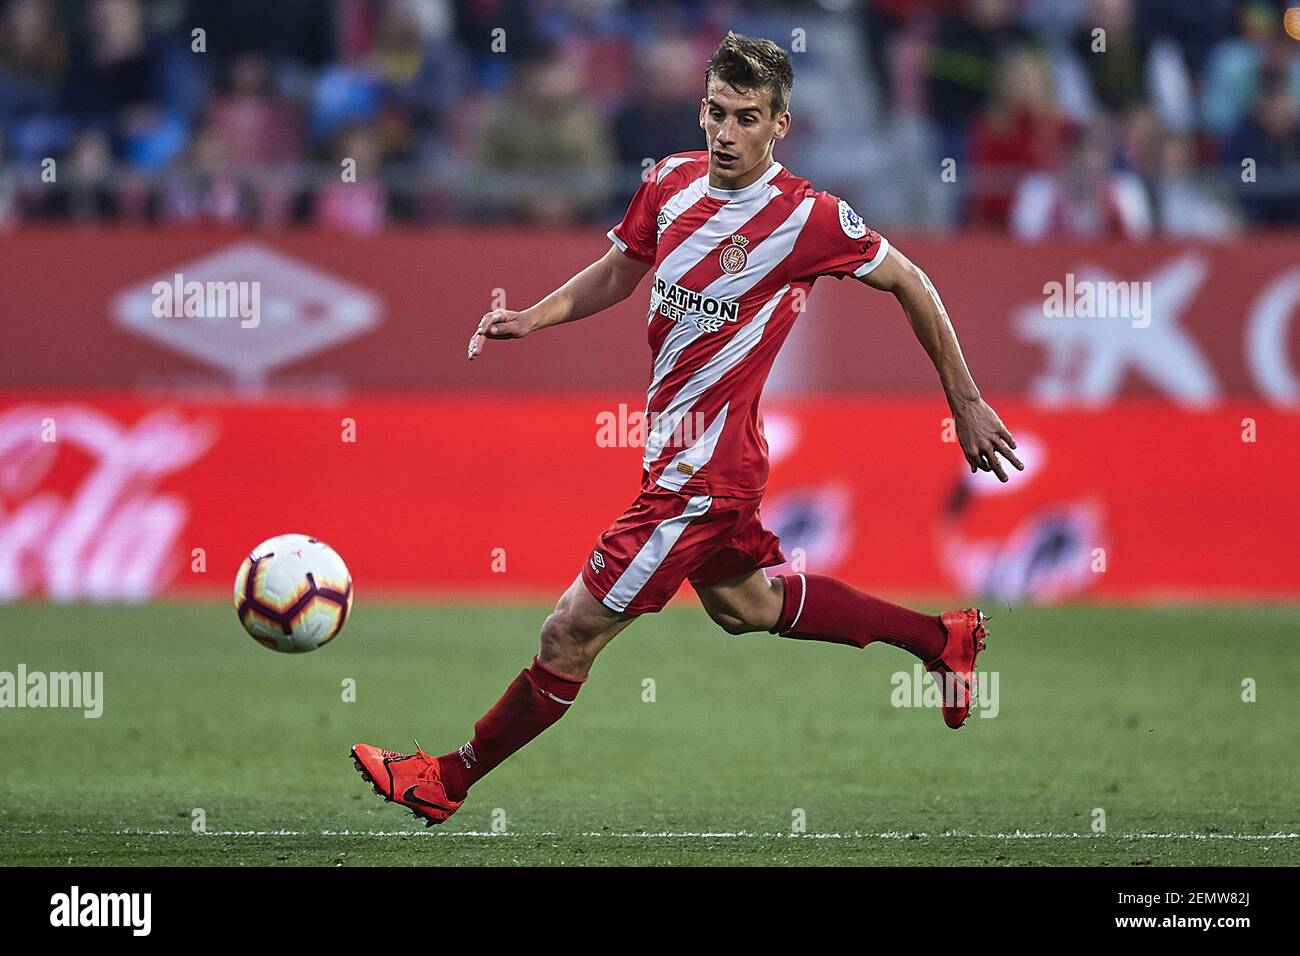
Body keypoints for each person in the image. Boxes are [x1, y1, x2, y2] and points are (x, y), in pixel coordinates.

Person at [352, 33, 1023, 826]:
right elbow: (621, 268)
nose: (726, 133)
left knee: (569, 632)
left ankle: (447, 780)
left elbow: (910, 279)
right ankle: (942, 639)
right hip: (687, 464)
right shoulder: (669, 181)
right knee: (747, 606)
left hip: (702, 480)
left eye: (747, 118)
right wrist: (535, 317)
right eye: (715, 112)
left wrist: (966, 400)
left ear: (780, 125)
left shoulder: (807, 217)